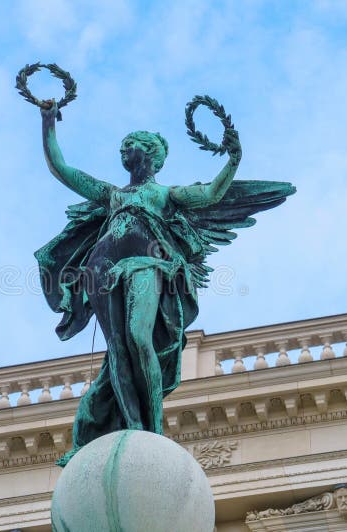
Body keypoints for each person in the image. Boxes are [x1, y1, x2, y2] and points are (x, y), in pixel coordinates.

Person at [35, 99, 294, 466]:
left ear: (151, 154)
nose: (124, 150)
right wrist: (48, 122)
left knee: (139, 337)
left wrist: (233, 161)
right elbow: (62, 169)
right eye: (123, 146)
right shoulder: (112, 195)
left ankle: (152, 430)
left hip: (146, 263)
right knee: (117, 349)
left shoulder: (164, 195)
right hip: (101, 267)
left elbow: (210, 195)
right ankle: (133, 425)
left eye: (131, 144)